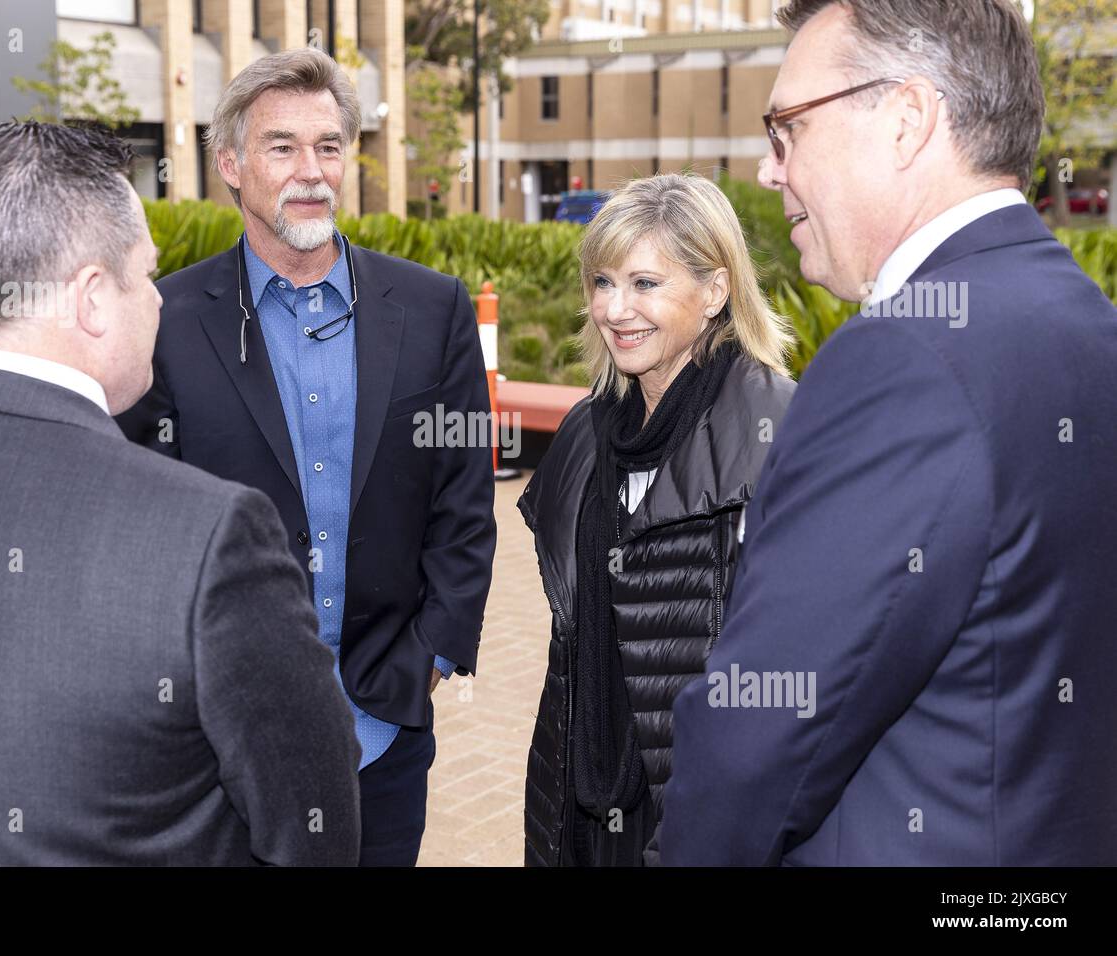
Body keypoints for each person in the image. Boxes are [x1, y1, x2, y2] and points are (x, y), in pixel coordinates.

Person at [0, 121, 361, 866]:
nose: (161, 303)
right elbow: (313, 832)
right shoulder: (208, 541)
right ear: (94, 298)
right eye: (146, 275)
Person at [660, 0, 1117, 866]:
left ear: (907, 120)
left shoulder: (899, 360)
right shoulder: (1088, 322)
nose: (767, 169)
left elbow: (755, 737)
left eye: (787, 127)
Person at [115, 48, 496, 866]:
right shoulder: (169, 321)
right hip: (219, 740)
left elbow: (464, 507)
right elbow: (135, 515)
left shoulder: (434, 310)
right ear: (231, 166)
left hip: (383, 729)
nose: (312, 171)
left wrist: (424, 662)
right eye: (282, 147)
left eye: (329, 146)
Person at [517, 173, 796, 866]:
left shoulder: (783, 432)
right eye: (602, 282)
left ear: (715, 290)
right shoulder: (585, 433)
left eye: (645, 284)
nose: (614, 309)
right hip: (581, 796)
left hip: (702, 818)